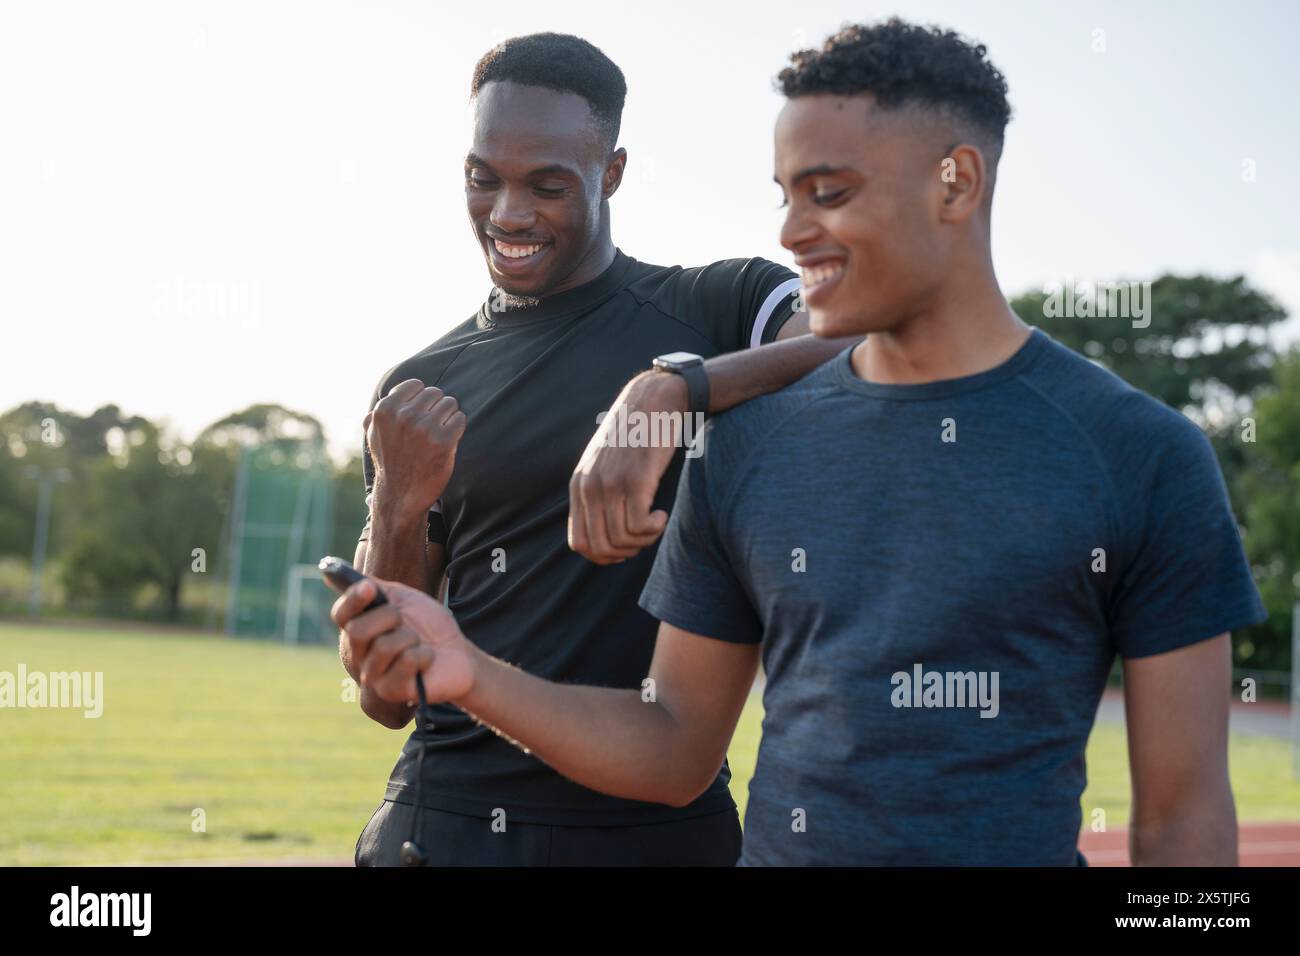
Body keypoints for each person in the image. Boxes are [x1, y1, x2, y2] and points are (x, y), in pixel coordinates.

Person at [334, 19, 1267, 866]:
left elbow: (1185, 825)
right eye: (786, 195)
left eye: (829, 193)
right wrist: (455, 642)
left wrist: (674, 385)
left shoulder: (1141, 456)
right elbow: (666, 743)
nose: (791, 231)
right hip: (447, 820)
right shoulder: (743, 455)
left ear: (959, 182)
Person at [347, 31, 854, 866]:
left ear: (611, 172)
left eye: (547, 185)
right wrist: (397, 504)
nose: (508, 213)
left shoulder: (720, 305)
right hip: (443, 823)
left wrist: (675, 388)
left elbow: (874, 346)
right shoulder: (417, 386)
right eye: (483, 179)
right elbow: (385, 696)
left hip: (655, 825)